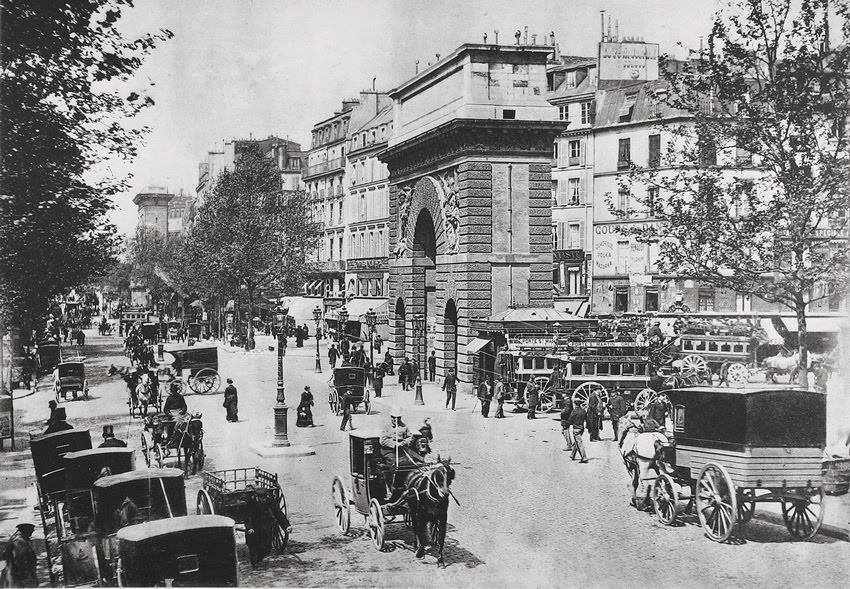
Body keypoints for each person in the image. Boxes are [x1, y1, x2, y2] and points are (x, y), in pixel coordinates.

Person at [379, 406, 424, 495]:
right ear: (391, 417)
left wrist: (403, 443)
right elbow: (382, 440)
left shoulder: (404, 427)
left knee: (412, 464)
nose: (396, 420)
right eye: (394, 418)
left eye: (398, 418)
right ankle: (391, 487)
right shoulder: (386, 427)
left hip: (402, 450)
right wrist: (395, 444)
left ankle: (408, 484)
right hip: (389, 451)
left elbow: (410, 437)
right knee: (395, 464)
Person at [1, 514, 38, 587]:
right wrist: (28, 582)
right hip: (17, 581)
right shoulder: (20, 542)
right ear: (25, 528)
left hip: (11, 578)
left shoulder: (16, 538)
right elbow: (21, 564)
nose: (33, 530)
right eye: (31, 528)